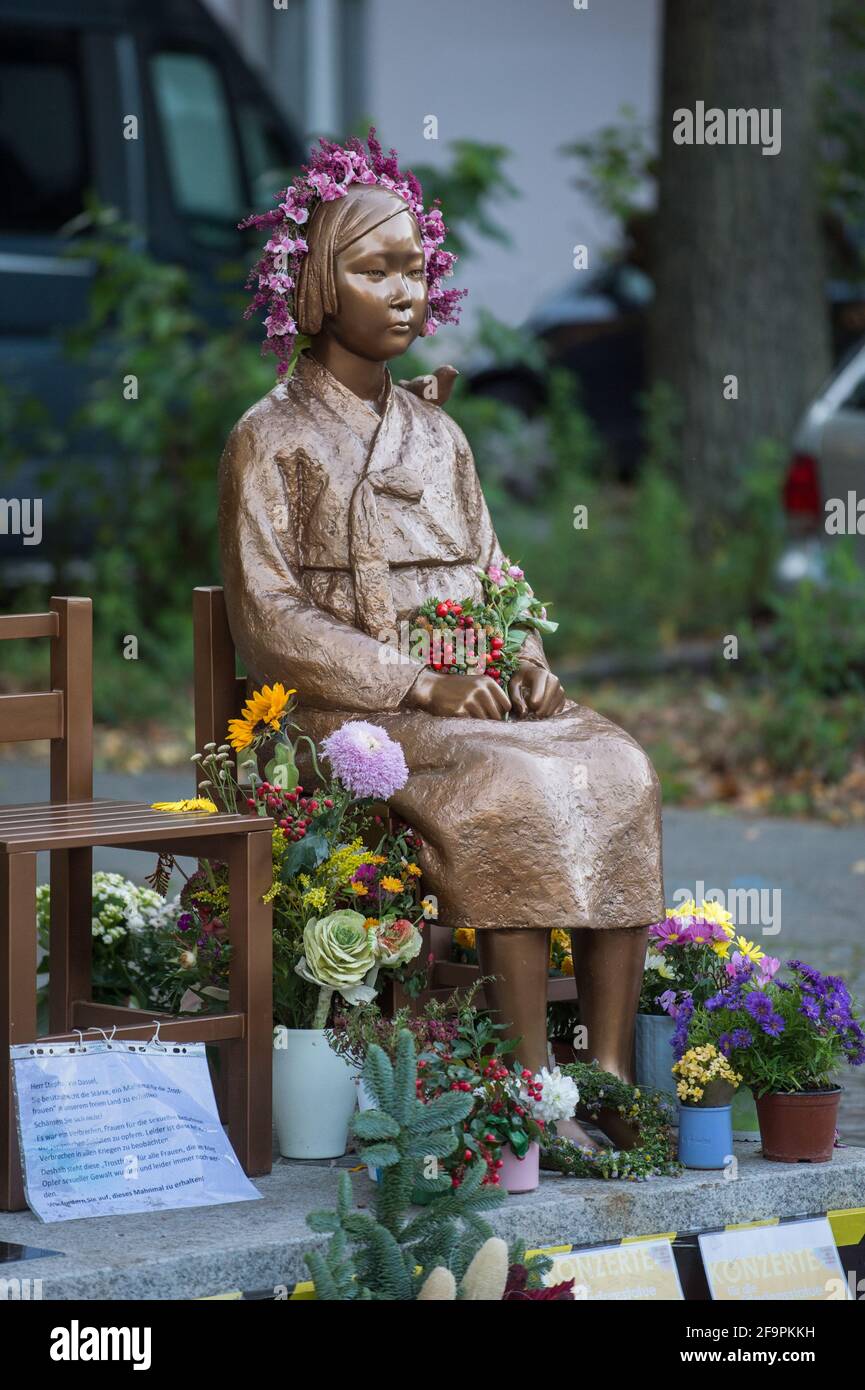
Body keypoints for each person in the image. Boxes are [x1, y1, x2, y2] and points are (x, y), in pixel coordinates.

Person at [219, 134, 664, 1149]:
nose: (404, 293)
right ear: (319, 288)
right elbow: (269, 614)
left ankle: (603, 1073)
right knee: (511, 788)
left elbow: (497, 573)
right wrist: (417, 682)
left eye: (414, 269)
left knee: (617, 764)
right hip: (355, 710)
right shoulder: (271, 435)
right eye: (374, 270)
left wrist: (523, 656)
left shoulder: (443, 435)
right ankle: (529, 1081)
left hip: (470, 693)